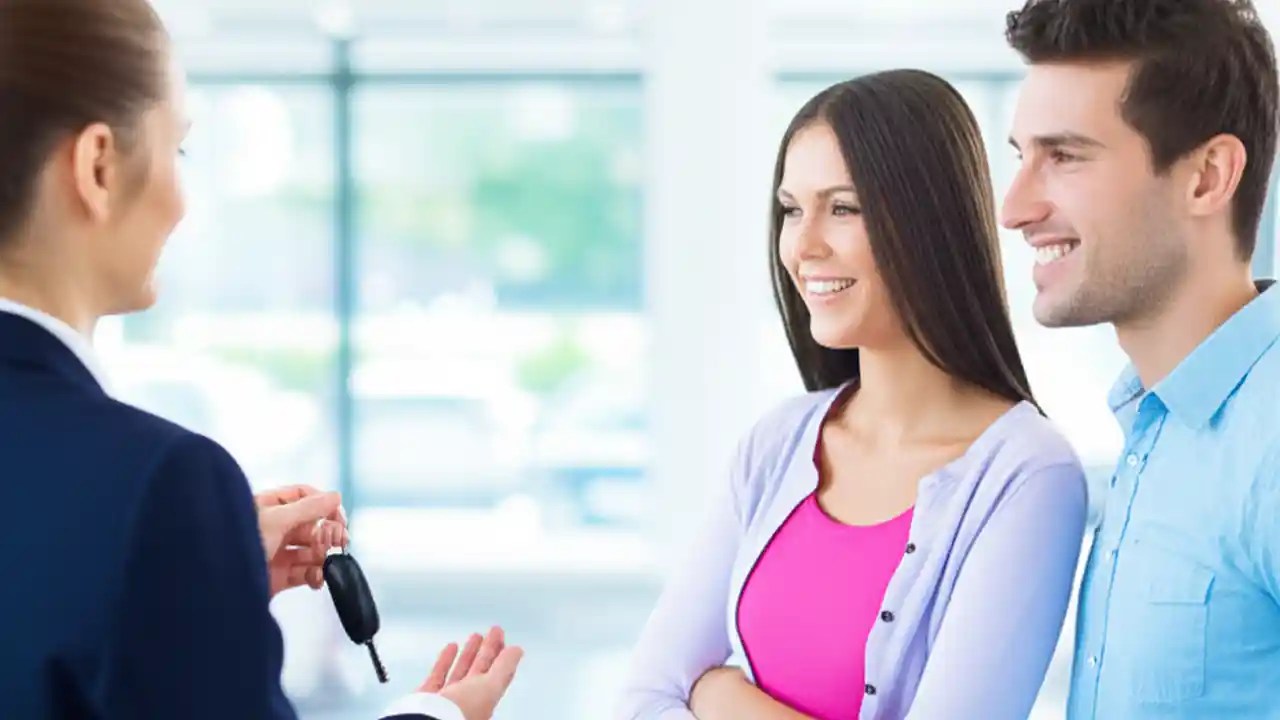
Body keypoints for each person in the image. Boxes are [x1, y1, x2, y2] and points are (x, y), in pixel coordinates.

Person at [0, 1, 521, 719]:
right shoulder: (161, 485)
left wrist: (189, 577)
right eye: (178, 151)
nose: (182, 202)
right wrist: (440, 714)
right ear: (97, 167)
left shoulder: (152, 512)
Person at [617, 69, 1088, 720]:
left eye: (842, 208)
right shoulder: (778, 444)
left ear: (931, 222)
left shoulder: (1028, 475)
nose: (803, 245)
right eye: (791, 210)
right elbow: (643, 700)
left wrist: (719, 694)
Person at [1002, 0, 1280, 717]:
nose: (1014, 208)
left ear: (1207, 177)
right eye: (1020, 156)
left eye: (1064, 156)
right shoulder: (1155, 425)